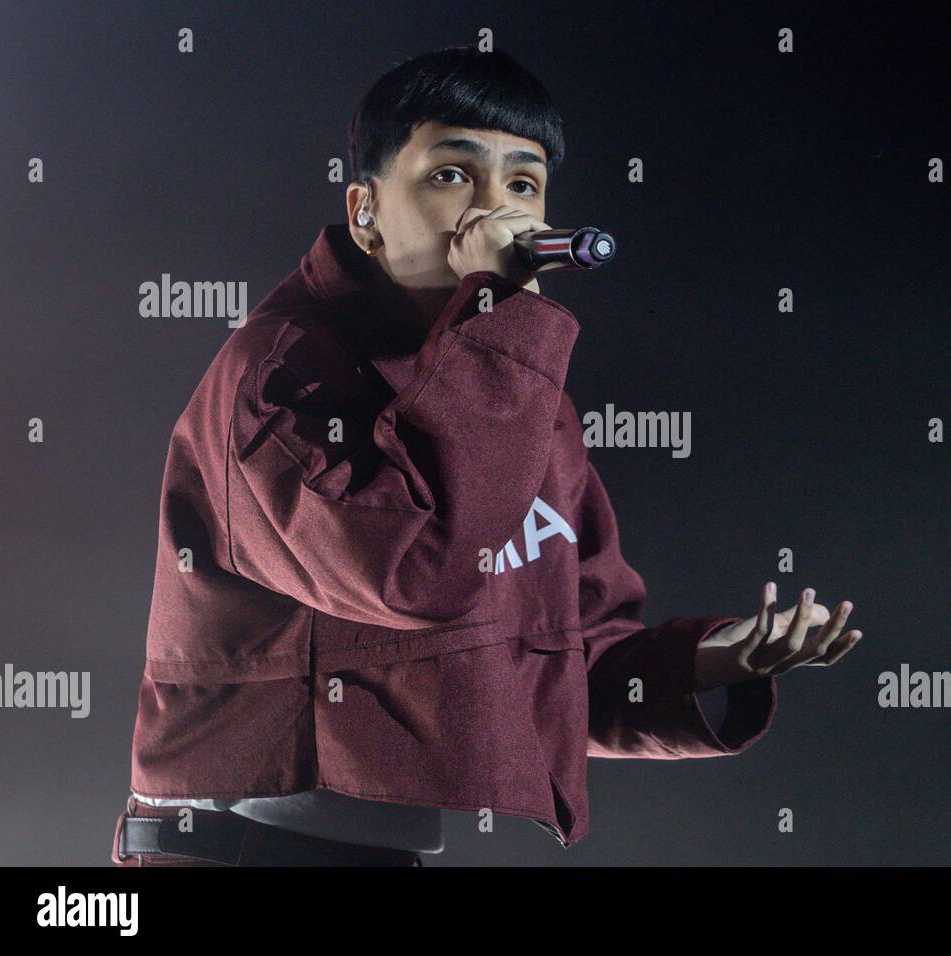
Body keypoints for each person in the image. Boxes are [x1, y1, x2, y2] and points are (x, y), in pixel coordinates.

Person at [112, 45, 865, 867]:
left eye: (522, 184)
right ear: (365, 211)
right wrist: (503, 328)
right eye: (450, 175)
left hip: (376, 852)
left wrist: (717, 659)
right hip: (231, 847)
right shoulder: (279, 373)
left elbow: (563, 662)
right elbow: (414, 572)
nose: (492, 214)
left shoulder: (520, 399)